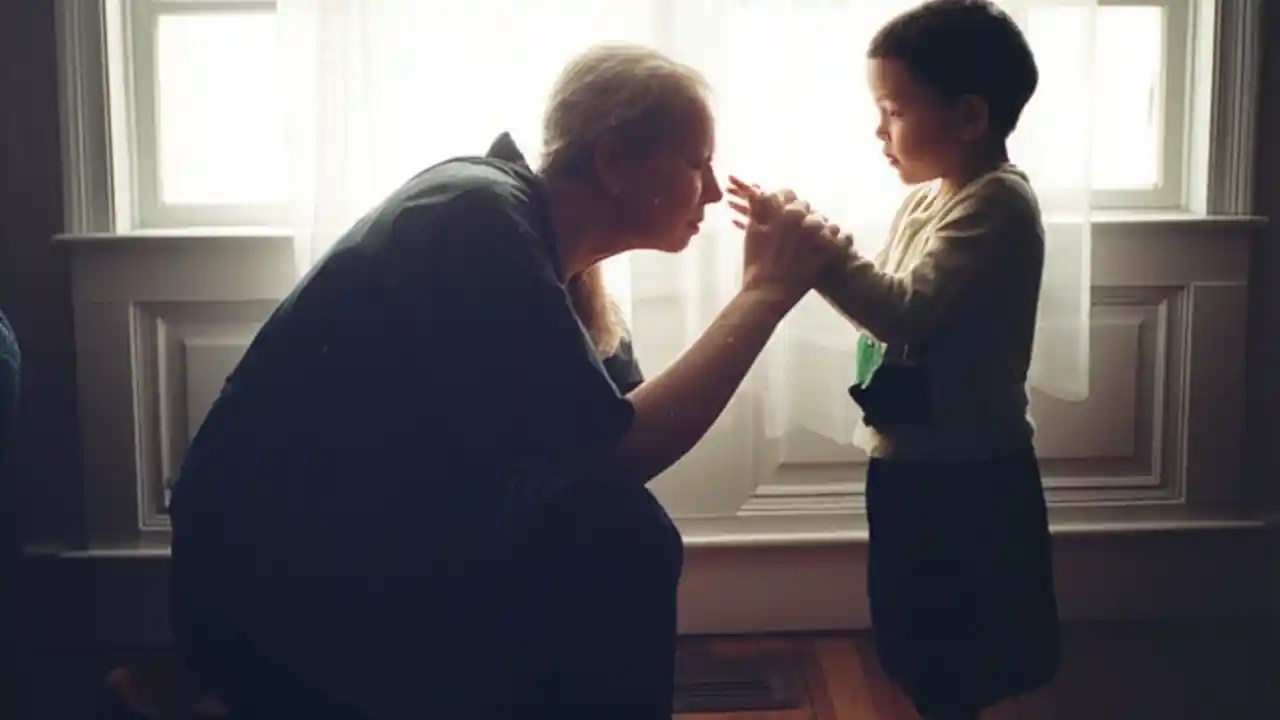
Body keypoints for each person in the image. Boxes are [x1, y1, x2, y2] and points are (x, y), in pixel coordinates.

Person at [168, 44, 842, 719]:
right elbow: (618, 454)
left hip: (346, 552)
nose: (716, 191)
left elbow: (601, 433)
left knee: (610, 534)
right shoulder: (476, 219)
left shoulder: (531, 239)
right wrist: (764, 294)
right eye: (698, 163)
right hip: (267, 589)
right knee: (622, 539)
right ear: (613, 162)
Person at [730, 2, 1060, 718]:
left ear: (969, 116)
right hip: (912, 454)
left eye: (894, 110)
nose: (879, 130)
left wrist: (817, 256)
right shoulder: (927, 201)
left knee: (961, 639)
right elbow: (880, 298)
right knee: (913, 627)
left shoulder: (997, 206)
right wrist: (816, 241)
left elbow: (902, 311)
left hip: (969, 469)